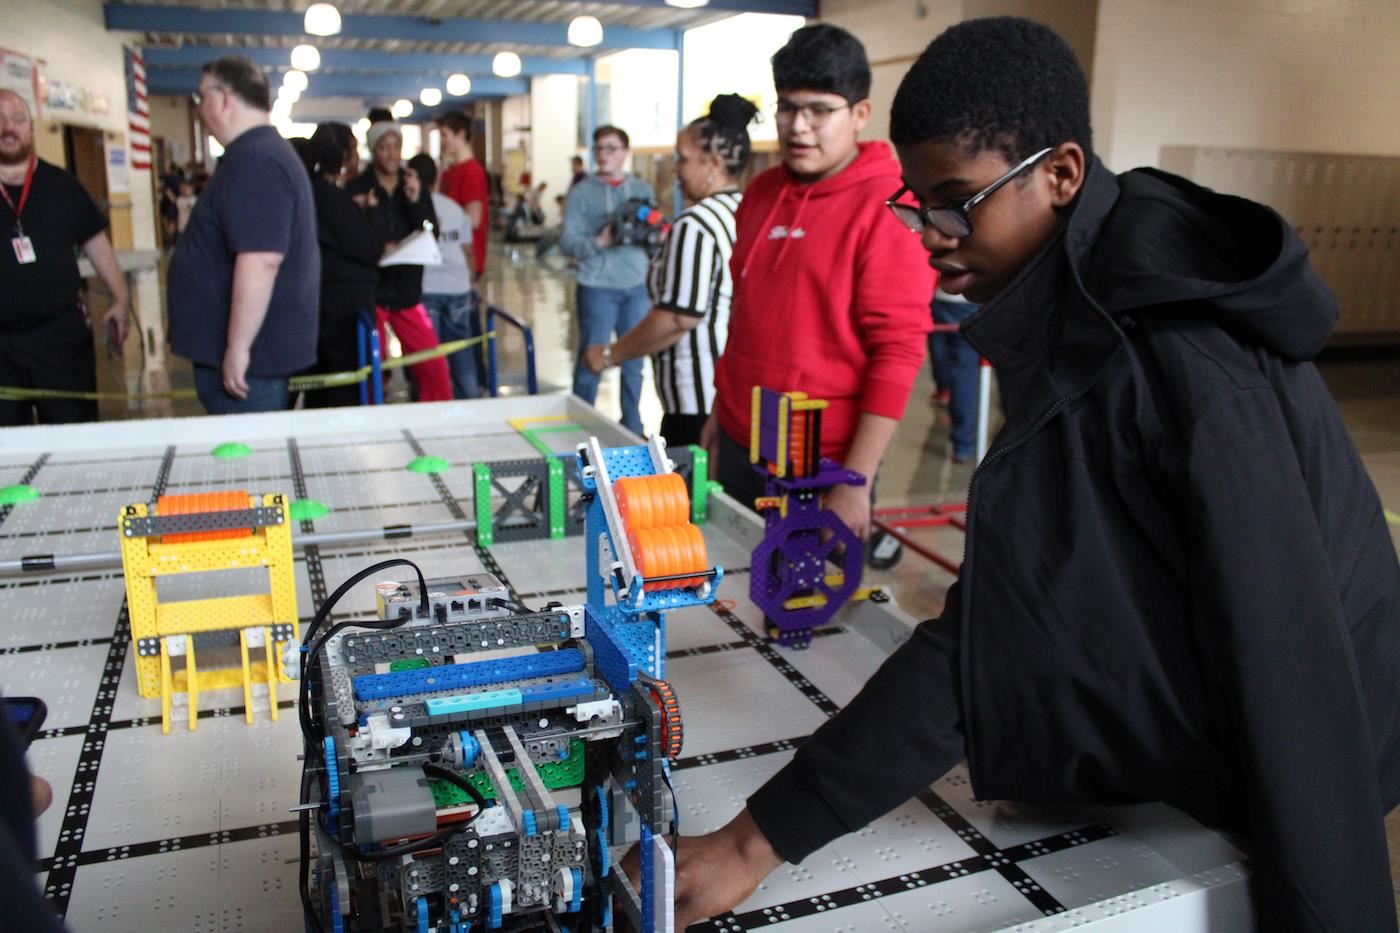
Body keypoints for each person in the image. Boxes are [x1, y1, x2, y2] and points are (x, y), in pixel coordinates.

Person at [661, 18, 1400, 932]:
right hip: (1221, 668)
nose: (931, 236)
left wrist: (750, 843)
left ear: (1061, 174)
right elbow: (1044, 594)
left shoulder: (1175, 362)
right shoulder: (1076, 295)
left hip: (1318, 724)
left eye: (957, 203)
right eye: (919, 204)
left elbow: (1292, 669)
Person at [700, 25, 934, 537]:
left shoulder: (890, 207)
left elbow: (897, 349)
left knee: (804, 589)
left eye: (820, 111)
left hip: (824, 463)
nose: (798, 126)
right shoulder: (761, 192)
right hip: (740, 439)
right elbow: (745, 317)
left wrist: (856, 480)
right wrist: (721, 411)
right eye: (787, 107)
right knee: (729, 582)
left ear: (860, 114)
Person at [582, 94, 758, 449]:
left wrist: (609, 355)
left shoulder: (696, 224)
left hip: (695, 402)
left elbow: (678, 318)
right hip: (735, 391)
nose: (675, 169)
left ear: (713, 164)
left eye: (683, 159)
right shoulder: (746, 211)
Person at [167, 56, 318, 415]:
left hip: (251, 363)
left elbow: (261, 260)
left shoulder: (257, 160)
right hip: (250, 356)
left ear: (223, 98)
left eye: (202, 97)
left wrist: (238, 347)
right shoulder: (255, 155)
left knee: (248, 451)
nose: (199, 108)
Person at [0, 88, 129, 427]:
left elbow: (96, 242)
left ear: (31, 128)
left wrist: (120, 297)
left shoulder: (62, 185)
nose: (8, 127)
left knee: (73, 431)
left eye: (17, 119)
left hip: (59, 339)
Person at [344, 119, 451, 403]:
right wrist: (375, 232)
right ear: (373, 150)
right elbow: (350, 237)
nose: (391, 154)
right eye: (384, 147)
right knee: (372, 369)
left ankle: (437, 415)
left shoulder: (412, 184)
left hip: (406, 290)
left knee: (433, 366)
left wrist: (415, 201)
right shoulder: (358, 188)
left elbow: (431, 232)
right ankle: (370, 416)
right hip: (373, 292)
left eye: (396, 146)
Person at [560, 125, 656, 435]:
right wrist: (600, 242)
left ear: (625, 153)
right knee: (592, 358)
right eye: (599, 148)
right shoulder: (581, 193)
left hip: (635, 285)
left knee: (634, 359)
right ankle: (580, 426)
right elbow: (567, 243)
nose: (604, 154)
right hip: (597, 287)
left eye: (611, 148)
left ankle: (632, 426)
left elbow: (653, 232)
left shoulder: (642, 190)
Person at [302, 122, 383, 409]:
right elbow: (368, 248)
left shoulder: (316, 193)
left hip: (326, 304)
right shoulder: (330, 197)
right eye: (354, 149)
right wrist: (372, 212)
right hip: (341, 311)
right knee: (342, 392)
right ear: (344, 155)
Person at [409, 152, 483, 400]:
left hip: (426, 288)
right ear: (437, 178)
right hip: (457, 287)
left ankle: (429, 405)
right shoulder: (454, 209)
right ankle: (469, 401)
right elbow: (468, 250)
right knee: (462, 352)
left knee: (428, 360)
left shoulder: (410, 206)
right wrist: (472, 281)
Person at [435, 110, 488, 279]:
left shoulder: (471, 172)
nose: (442, 141)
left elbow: (474, 220)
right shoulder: (449, 171)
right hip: (449, 255)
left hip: (466, 258)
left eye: (445, 135)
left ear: (461, 134)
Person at [928, 287, 979, 461]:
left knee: (939, 347)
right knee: (964, 371)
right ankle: (963, 444)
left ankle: (943, 389)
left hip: (938, 296)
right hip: (971, 300)